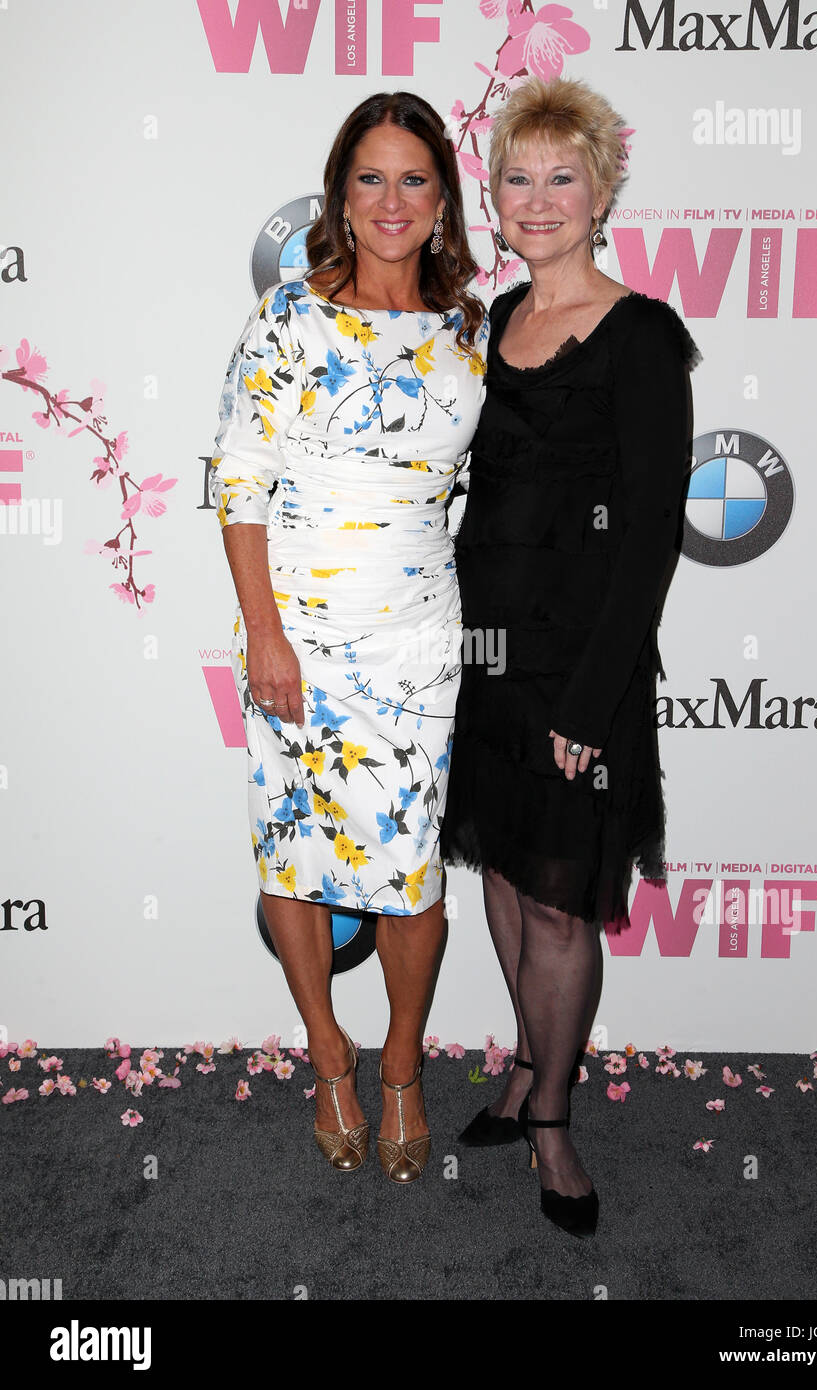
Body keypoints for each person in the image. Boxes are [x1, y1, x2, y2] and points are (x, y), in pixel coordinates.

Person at [210, 92, 488, 1183]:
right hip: (299, 637)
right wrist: (264, 636)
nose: (390, 201)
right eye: (369, 178)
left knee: (410, 871)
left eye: (413, 179)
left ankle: (404, 1067)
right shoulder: (286, 319)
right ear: (339, 195)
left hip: (418, 635)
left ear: (441, 200)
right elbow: (240, 485)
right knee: (294, 850)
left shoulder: (471, 329)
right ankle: (328, 1052)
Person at [440, 76, 701, 1236]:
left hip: (578, 672)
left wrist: (593, 697)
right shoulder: (492, 324)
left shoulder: (640, 333)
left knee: (559, 909)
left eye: (563, 176)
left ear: (602, 194)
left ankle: (551, 1110)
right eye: (517, 176)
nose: (538, 199)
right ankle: (523, 1061)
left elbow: (648, 533)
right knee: (501, 873)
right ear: (492, 197)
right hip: (483, 658)